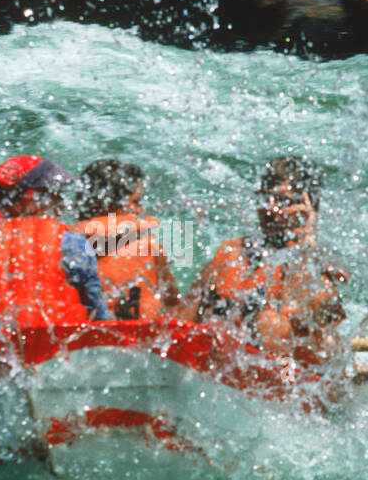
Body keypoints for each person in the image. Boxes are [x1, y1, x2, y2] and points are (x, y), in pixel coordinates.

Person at [181, 156, 347, 366]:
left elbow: (301, 315)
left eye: (281, 201)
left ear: (306, 208)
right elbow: (180, 320)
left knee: (268, 322)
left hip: (287, 377)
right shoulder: (230, 252)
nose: (269, 209)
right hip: (218, 373)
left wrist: (307, 242)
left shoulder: (317, 272)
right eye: (264, 199)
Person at [0, 156, 111, 339]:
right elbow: (98, 313)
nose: (62, 201)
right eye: (56, 193)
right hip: (57, 356)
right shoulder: (72, 244)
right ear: (32, 198)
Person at [73, 158, 180, 319]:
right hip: (141, 336)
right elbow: (173, 304)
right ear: (106, 205)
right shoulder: (150, 247)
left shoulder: (67, 245)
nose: (141, 209)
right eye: (136, 202)